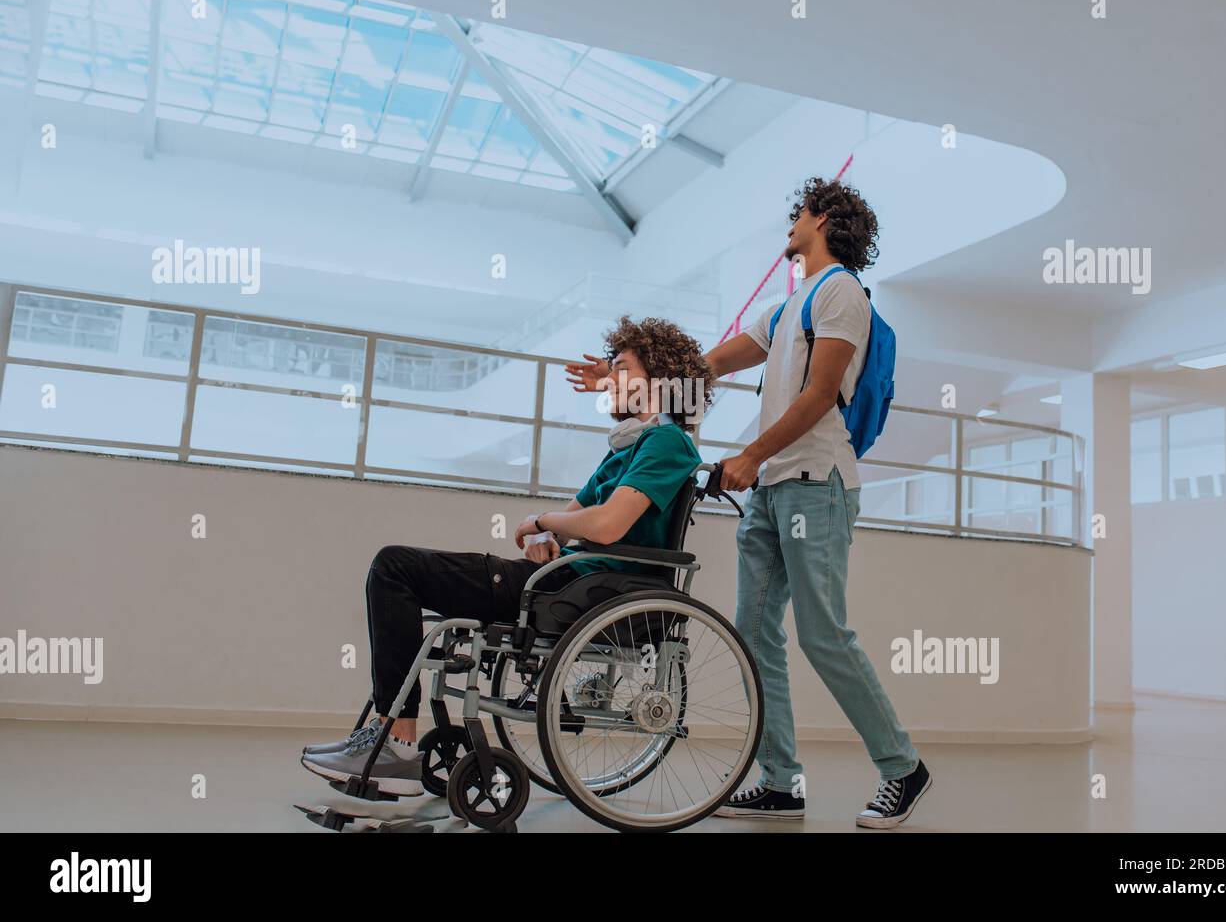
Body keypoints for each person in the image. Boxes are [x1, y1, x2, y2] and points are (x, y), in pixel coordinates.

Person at [567, 178, 930, 828]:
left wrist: (752, 454)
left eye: (799, 212)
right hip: (769, 494)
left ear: (821, 219)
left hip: (815, 484)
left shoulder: (841, 292)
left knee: (823, 634)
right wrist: (622, 376)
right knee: (754, 635)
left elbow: (820, 394)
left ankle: (903, 768)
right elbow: (707, 366)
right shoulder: (790, 305)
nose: (790, 222)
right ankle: (781, 780)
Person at [300, 316, 710, 795]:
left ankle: (399, 746)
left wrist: (544, 522)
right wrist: (549, 534)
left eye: (620, 368)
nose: (607, 379)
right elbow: (576, 516)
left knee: (395, 568)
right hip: (568, 578)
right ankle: (390, 739)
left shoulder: (667, 442)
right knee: (399, 572)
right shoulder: (629, 446)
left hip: (586, 590)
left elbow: (604, 524)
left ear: (659, 381)